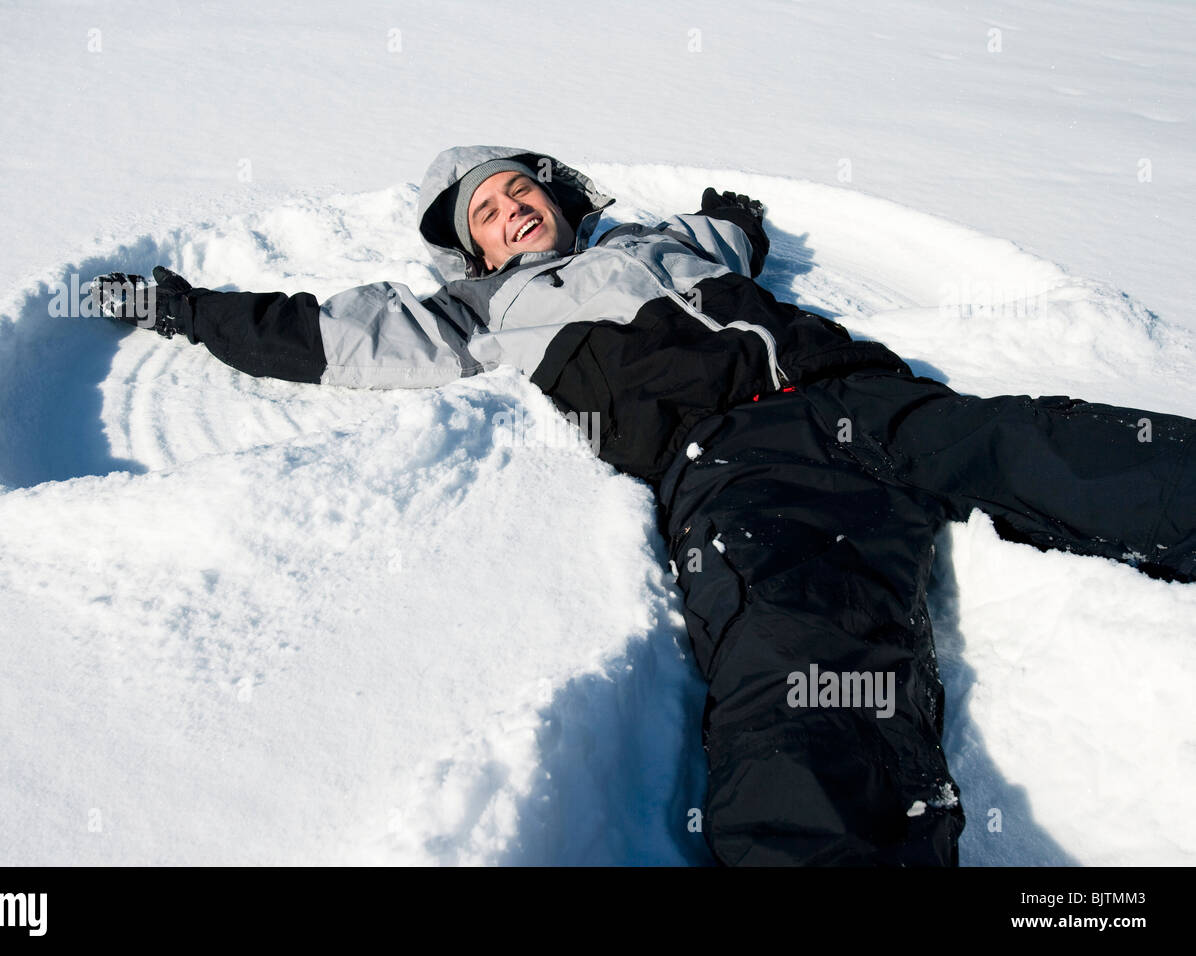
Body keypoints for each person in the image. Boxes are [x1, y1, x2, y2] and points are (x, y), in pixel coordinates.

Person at [93, 145, 1196, 866]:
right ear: (469, 245)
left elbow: (734, 238)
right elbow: (313, 337)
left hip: (871, 401)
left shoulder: (662, 245)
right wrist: (178, 305)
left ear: (557, 198)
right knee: (802, 675)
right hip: (739, 471)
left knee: (1062, 446)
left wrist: (729, 216)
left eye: (521, 190)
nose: (512, 209)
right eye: (488, 210)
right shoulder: (475, 313)